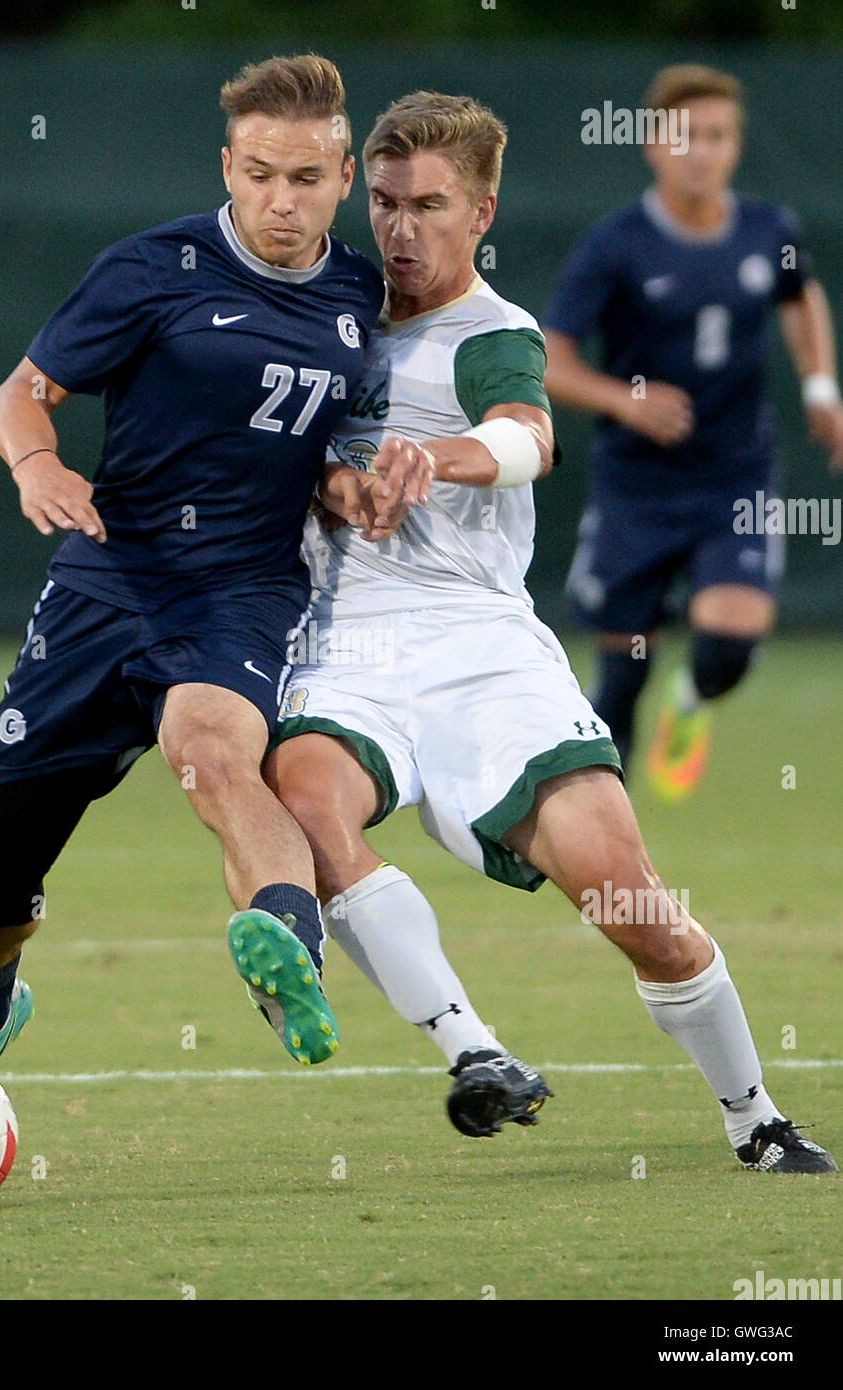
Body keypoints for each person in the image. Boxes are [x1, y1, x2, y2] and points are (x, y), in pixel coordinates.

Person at [266, 90, 836, 1172]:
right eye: (382, 202)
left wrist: (434, 459)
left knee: (632, 905)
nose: (399, 229)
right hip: (344, 645)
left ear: (482, 209)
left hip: (484, 652)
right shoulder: (314, 313)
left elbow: (523, 431)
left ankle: (752, 1116)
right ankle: (473, 1049)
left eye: (428, 205)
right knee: (308, 801)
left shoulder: (493, 334)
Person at [0, 54, 386, 1074]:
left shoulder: (365, 297)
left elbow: (347, 443)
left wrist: (351, 482)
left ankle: (290, 956)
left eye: (306, 178)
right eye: (261, 173)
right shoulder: (152, 268)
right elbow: (23, 390)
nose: (282, 198)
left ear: (344, 176)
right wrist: (37, 462)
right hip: (108, 579)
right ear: (228, 165)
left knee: (217, 756)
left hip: (243, 593)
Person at [542, 64, 843, 800]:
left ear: (736, 146)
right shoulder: (618, 245)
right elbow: (550, 356)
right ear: (652, 142)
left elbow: (801, 297)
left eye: (716, 136)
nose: (700, 151)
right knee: (620, 676)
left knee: (729, 649)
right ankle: (601, 841)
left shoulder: (770, 230)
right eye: (684, 136)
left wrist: (820, 385)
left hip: (735, 475)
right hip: (637, 484)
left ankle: (692, 703)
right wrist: (623, 399)